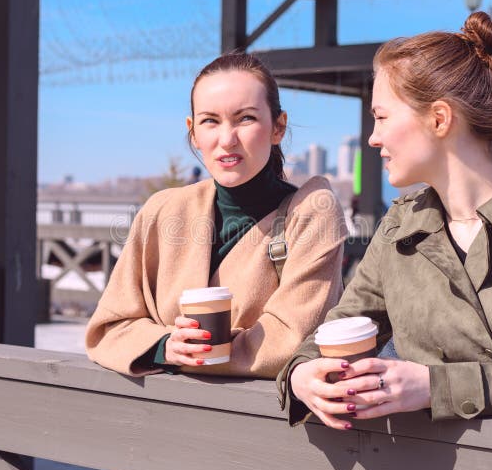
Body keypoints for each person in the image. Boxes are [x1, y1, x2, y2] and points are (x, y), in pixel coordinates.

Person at [278, 12, 492, 429]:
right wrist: (302, 376)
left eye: (382, 117)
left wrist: (436, 387)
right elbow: (337, 331)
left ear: (440, 119)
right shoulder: (398, 227)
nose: (373, 137)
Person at [86, 52, 347, 379]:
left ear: (278, 126)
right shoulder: (163, 211)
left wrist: (194, 352)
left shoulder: (309, 212)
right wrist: (165, 345)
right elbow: (108, 327)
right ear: (193, 131)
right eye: (210, 121)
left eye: (246, 119)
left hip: (263, 423)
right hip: (159, 419)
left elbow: (294, 340)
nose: (227, 140)